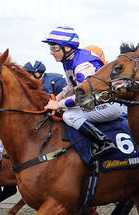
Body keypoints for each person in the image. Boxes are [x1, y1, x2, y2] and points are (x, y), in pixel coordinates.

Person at [40, 26, 125, 159]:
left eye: (54, 47)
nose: (51, 52)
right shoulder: (69, 60)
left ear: (67, 47)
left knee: (68, 116)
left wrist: (59, 104)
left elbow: (84, 97)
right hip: (97, 101)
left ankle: (104, 142)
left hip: (110, 104)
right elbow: (70, 88)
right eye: (51, 47)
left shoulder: (82, 64)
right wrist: (55, 99)